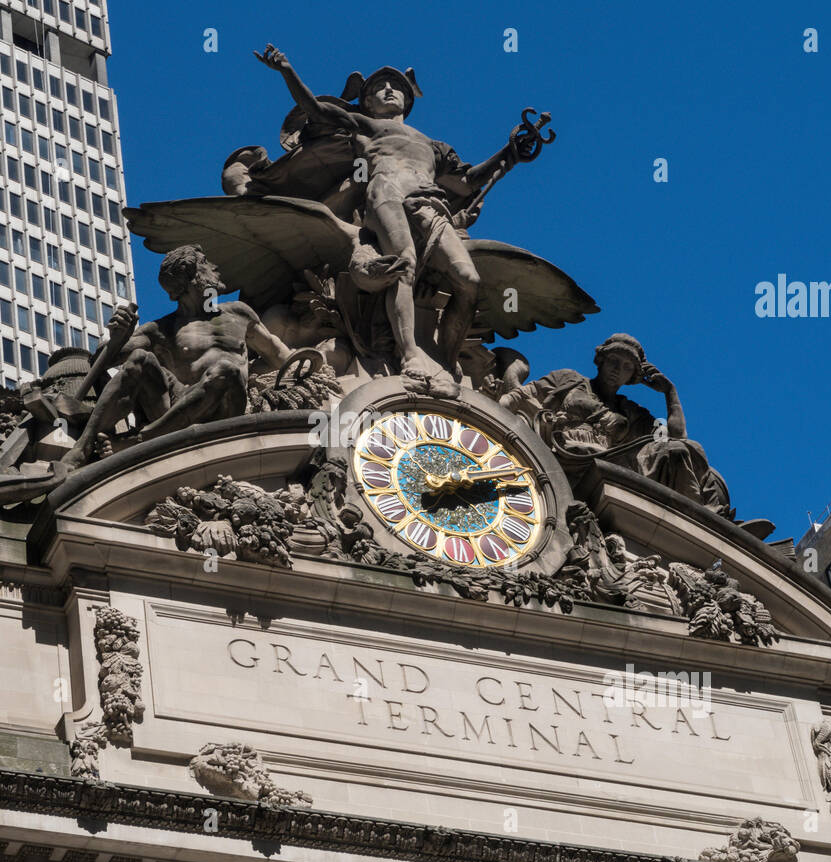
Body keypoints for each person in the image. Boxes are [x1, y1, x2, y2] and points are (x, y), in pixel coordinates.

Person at [255, 44, 521, 396]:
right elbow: (315, 109)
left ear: (408, 101)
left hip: (432, 203)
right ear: (366, 102)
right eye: (379, 87)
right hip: (386, 193)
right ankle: (411, 356)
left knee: (468, 280)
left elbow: (467, 182)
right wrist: (287, 70)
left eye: (395, 86)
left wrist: (509, 153)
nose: (388, 90)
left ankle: (443, 361)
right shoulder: (366, 126)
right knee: (403, 265)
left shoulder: (433, 145)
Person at [62, 245, 291, 468]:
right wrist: (118, 338)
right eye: (205, 263)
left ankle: (141, 441)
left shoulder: (238, 312)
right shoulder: (162, 329)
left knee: (225, 369)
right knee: (140, 358)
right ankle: (82, 448)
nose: (215, 267)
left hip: (226, 408)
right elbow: (102, 360)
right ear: (189, 277)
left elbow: (280, 355)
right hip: (176, 407)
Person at [503, 333, 734, 517]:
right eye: (613, 361)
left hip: (612, 465)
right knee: (677, 450)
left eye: (626, 367)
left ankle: (702, 515)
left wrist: (669, 392)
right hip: (571, 455)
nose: (617, 370)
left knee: (684, 450)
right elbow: (523, 393)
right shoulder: (568, 380)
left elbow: (677, 435)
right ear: (601, 360)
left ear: (633, 376)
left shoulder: (631, 411)